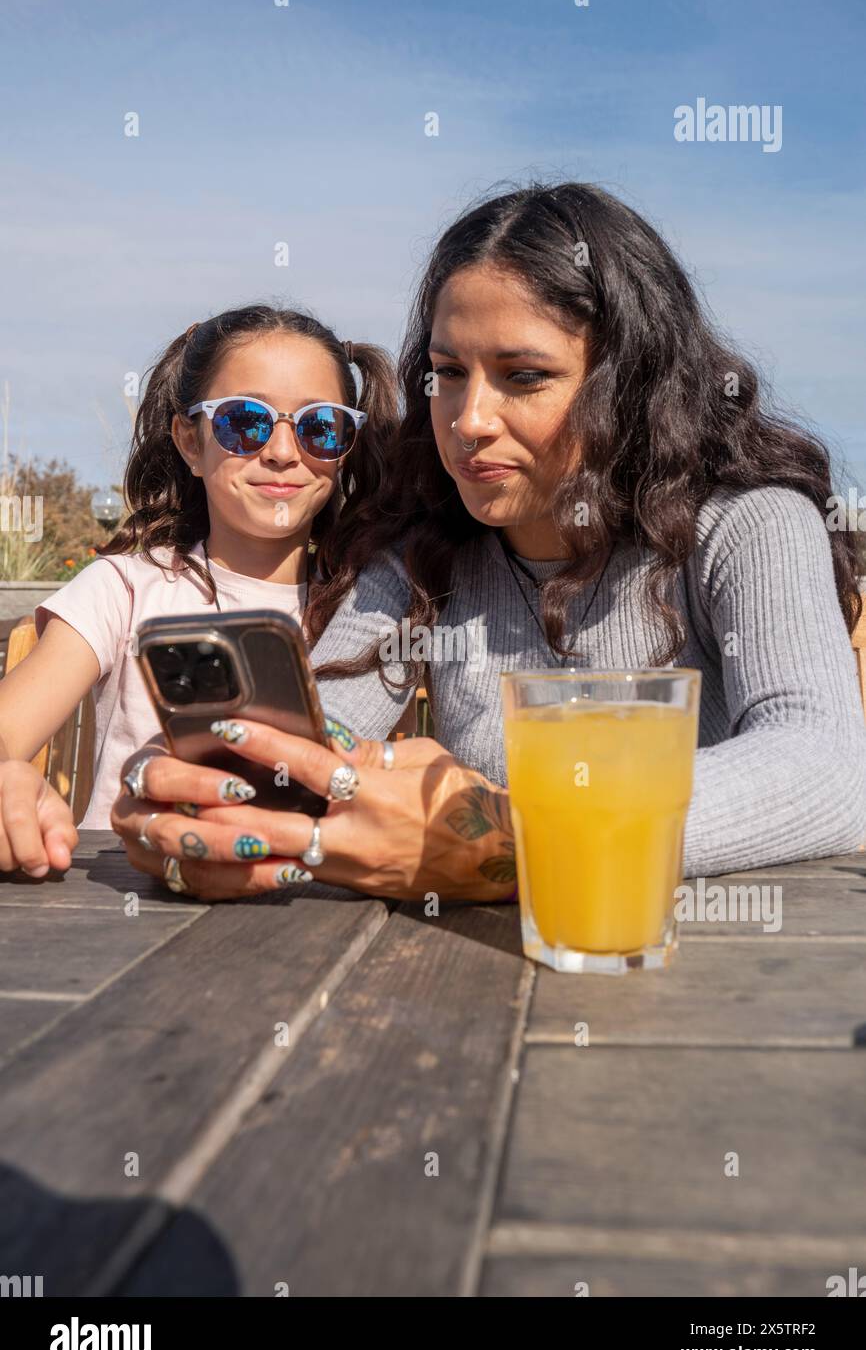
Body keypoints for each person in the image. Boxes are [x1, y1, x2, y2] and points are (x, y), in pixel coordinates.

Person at [110, 182, 866, 902]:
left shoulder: (748, 526)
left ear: (631, 381)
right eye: (447, 373)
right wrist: (211, 800)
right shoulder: (420, 557)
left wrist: (510, 840)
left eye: (525, 375)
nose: (468, 418)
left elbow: (826, 767)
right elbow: (319, 745)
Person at [0, 304, 396, 874]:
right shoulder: (123, 590)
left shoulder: (373, 611)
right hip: (122, 900)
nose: (283, 452)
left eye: (320, 427)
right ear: (190, 441)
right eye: (245, 422)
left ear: (345, 449)